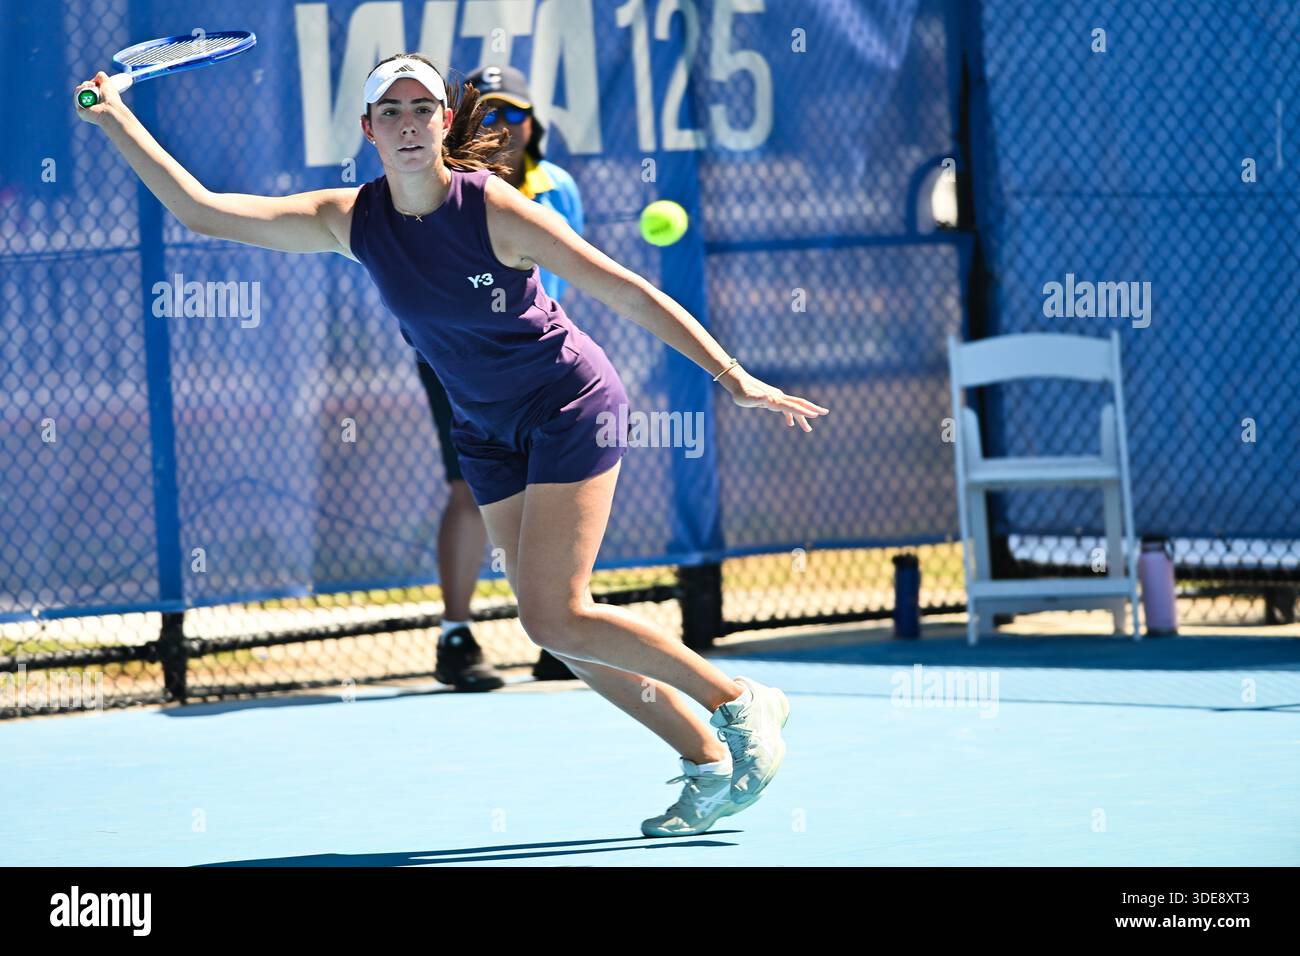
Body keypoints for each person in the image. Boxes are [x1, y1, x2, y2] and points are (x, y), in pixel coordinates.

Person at [75, 54, 829, 837]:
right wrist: (114, 119)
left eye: (421, 108)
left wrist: (732, 375)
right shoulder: (350, 219)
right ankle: (706, 762)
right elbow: (203, 211)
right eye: (390, 111)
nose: (407, 122)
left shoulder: (496, 209)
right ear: (369, 130)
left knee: (557, 616)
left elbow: (622, 288)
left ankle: (741, 703)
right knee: (560, 630)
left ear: (443, 122)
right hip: (482, 425)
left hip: (569, 404)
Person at [414, 64, 586, 689]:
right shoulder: (444, 188)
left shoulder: (558, 187)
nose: (502, 126)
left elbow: (571, 278)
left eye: (513, 113)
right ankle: (455, 637)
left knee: (559, 497)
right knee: (469, 493)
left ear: (533, 123)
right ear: (462, 124)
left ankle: (560, 631)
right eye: (487, 113)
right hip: (456, 363)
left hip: (542, 369)